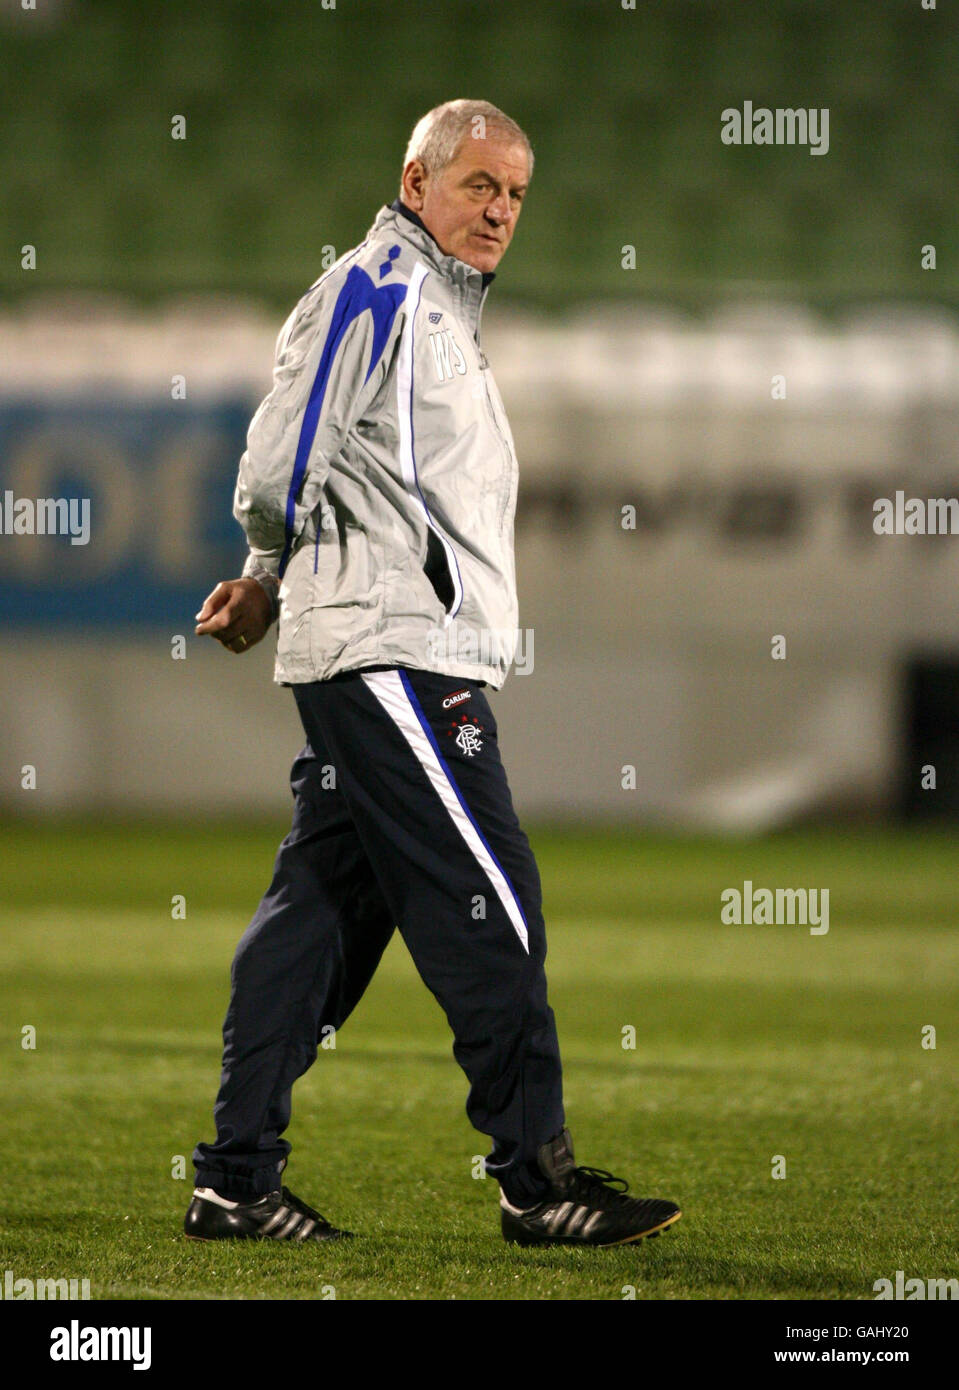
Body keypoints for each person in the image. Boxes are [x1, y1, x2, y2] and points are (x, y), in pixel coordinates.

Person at [185, 99, 681, 1248]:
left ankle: (232, 1177)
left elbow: (334, 454)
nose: (500, 211)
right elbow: (279, 457)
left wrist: (267, 578)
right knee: (489, 905)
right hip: (389, 655)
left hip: (384, 646)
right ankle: (535, 1178)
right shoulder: (381, 291)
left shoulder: (435, 309)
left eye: (514, 194)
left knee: (316, 922)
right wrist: (264, 556)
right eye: (478, 186)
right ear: (416, 181)